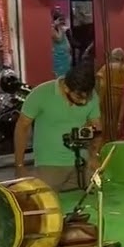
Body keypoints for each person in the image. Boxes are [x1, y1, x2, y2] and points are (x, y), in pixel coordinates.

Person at [12, 63, 102, 192]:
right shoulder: (41, 94)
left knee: (89, 199)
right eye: (79, 97)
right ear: (66, 87)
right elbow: (22, 127)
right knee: (45, 202)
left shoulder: (89, 95)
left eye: (87, 97)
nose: (84, 102)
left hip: (81, 164)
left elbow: (97, 128)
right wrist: (19, 165)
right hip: (49, 166)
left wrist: (94, 156)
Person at [96, 47, 124, 138]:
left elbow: (102, 85)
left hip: (108, 97)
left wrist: (100, 99)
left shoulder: (105, 68)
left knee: (108, 121)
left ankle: (108, 140)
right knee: (121, 122)